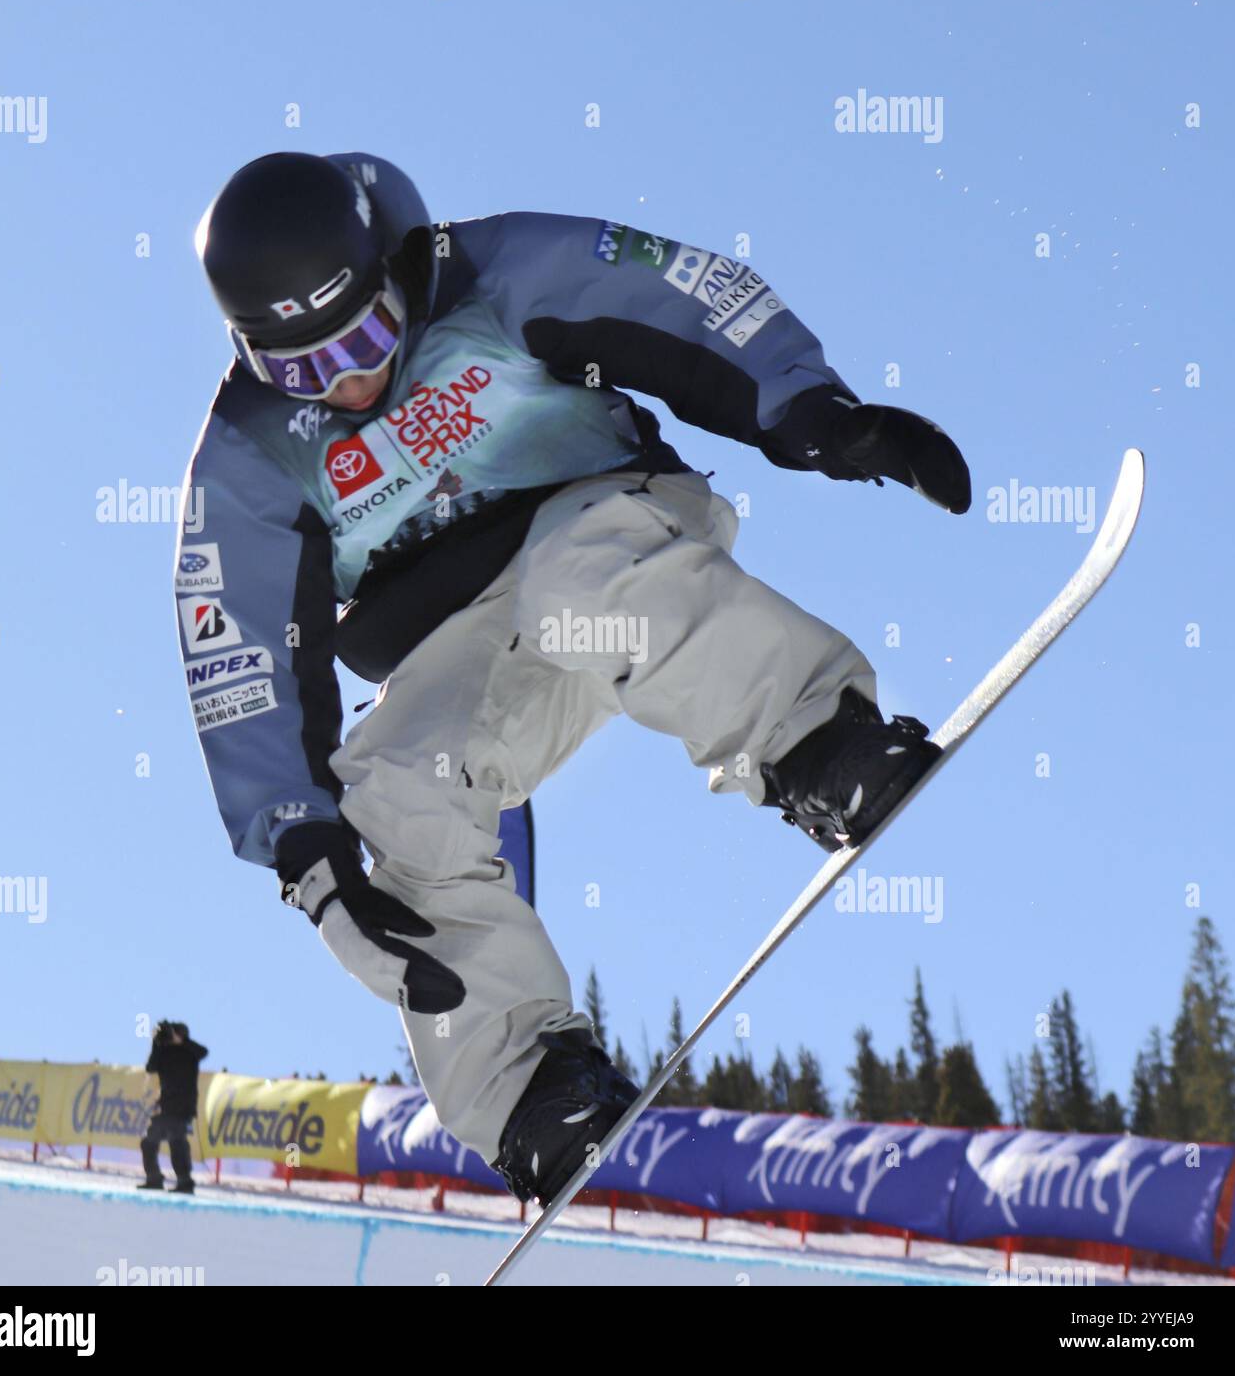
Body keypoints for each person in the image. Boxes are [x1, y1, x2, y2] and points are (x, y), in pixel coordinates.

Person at [178, 151, 969, 1206]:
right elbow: (233, 653)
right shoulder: (248, 453)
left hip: (614, 532)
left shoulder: (492, 271)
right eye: (303, 370)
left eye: (365, 340)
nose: (348, 383)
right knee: (392, 782)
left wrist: (811, 409)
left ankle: (817, 740)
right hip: (472, 643)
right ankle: (531, 1091)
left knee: (573, 583)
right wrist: (308, 855)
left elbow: (672, 290)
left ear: (392, 272)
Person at [139, 1020, 207, 1193]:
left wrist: (182, 1042)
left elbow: (203, 1052)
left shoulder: (189, 1053)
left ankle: (185, 1182)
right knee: (149, 1142)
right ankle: (154, 1178)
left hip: (183, 1107)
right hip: (166, 1106)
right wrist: (156, 1043)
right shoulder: (164, 1052)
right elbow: (150, 1067)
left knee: (177, 1143)